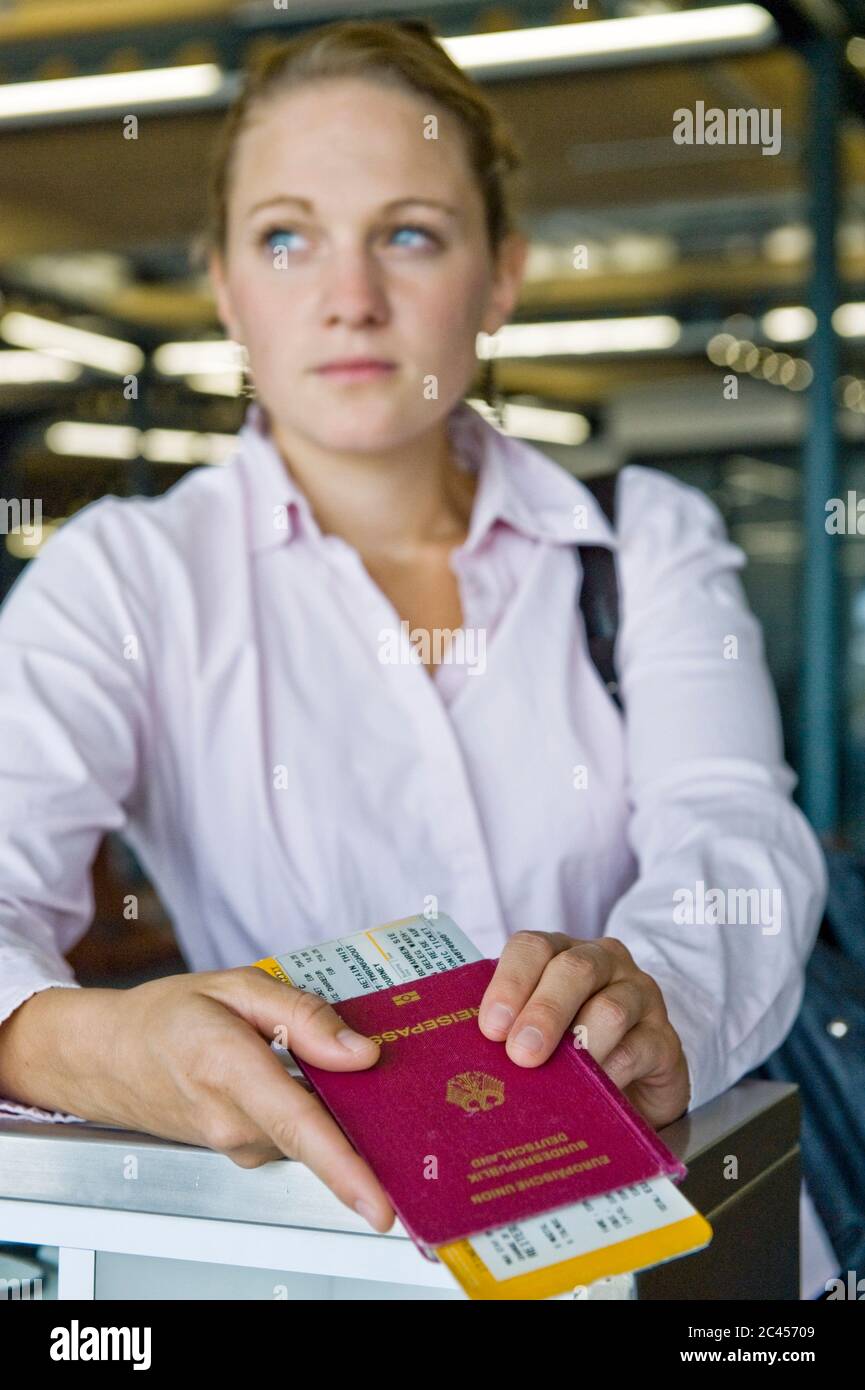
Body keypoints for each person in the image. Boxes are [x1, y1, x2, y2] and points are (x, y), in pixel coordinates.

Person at [0, 19, 836, 1297]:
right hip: (336, 1266)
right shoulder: (125, 580)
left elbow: (729, 826)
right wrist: (81, 1041)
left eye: (409, 232)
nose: (350, 296)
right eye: (287, 237)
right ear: (225, 286)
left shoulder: (641, 539)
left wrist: (661, 992)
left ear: (498, 276)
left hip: (687, 1252)